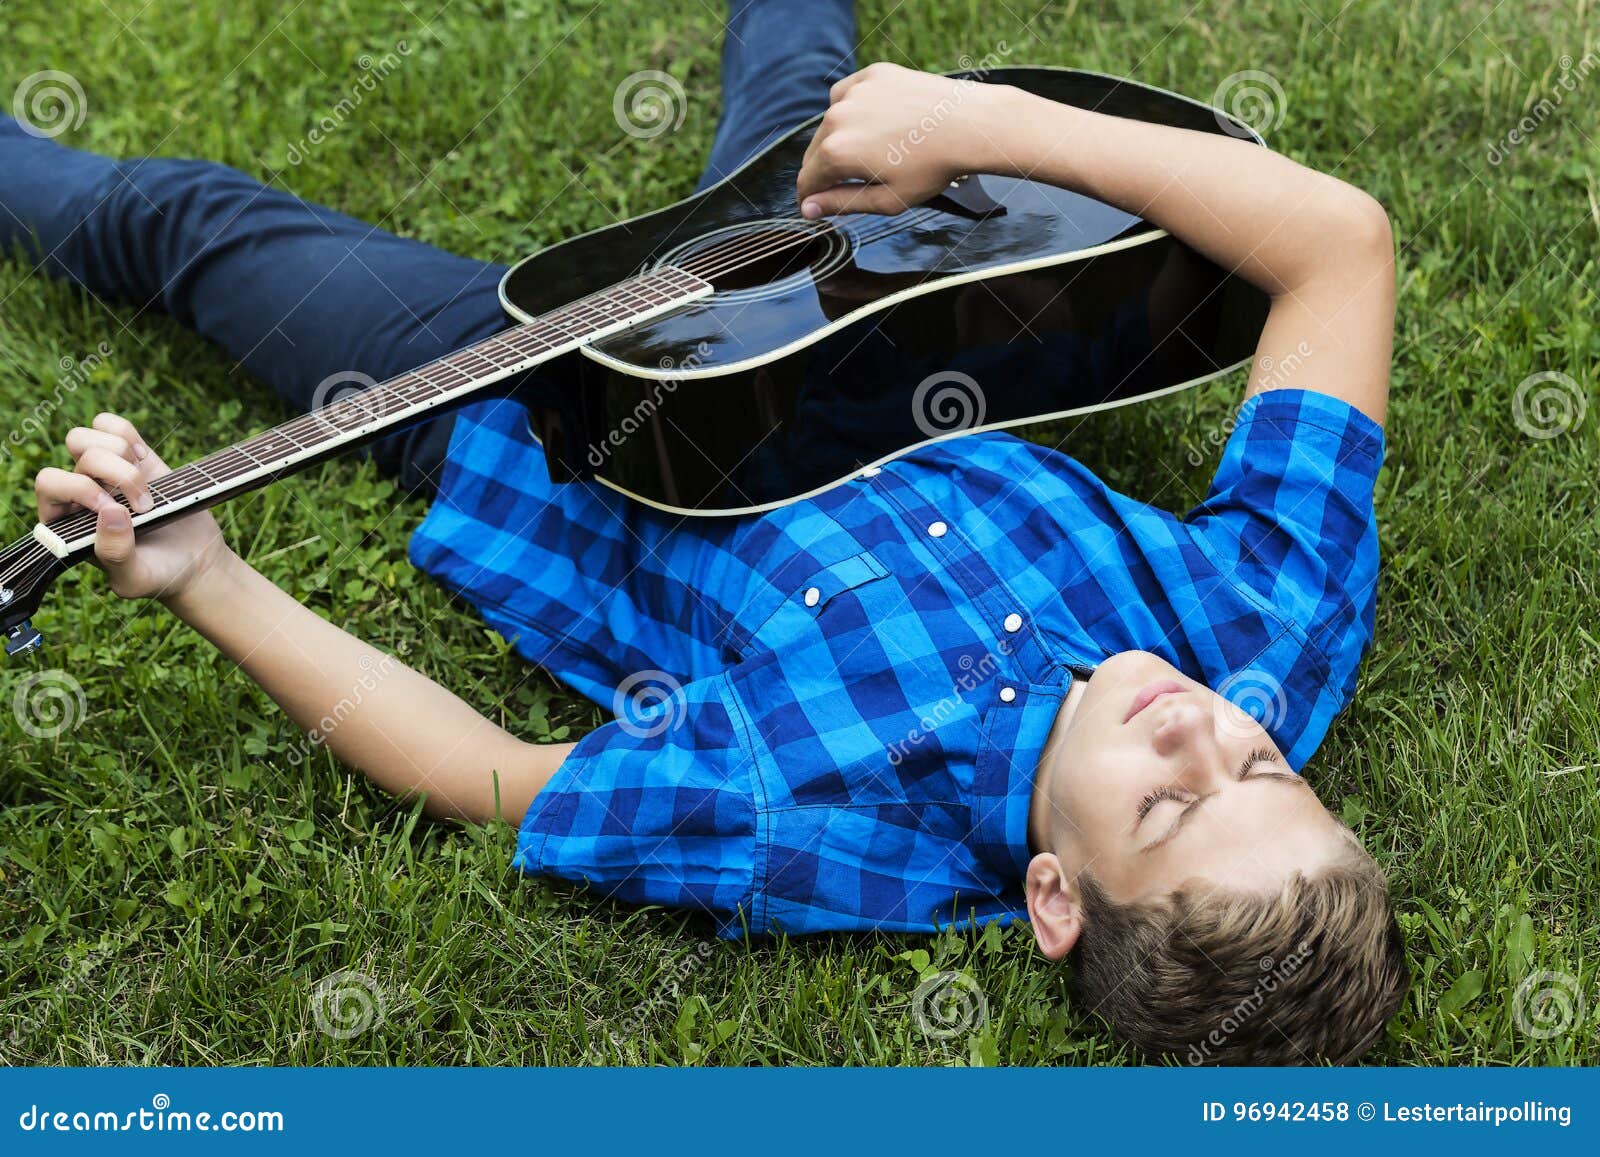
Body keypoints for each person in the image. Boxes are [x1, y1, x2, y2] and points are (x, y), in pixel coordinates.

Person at [2, 0, 1406, 1063]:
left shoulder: (819, 822)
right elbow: (1338, 246)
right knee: (808, 82)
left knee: (187, 224)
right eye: (1261, 763)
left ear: (1054, 898)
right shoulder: (1263, 632)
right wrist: (979, 124)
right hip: (854, 284)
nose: (1193, 732)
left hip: (550, 409)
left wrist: (207, 576)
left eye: (1166, 808)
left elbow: (497, 779)